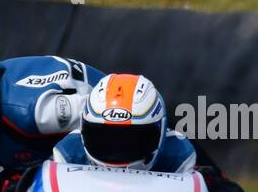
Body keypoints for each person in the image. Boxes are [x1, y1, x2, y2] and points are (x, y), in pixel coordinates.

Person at [0, 29, 255, 192]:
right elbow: (6, 184)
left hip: (136, 131)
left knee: (207, 185)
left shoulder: (35, 110)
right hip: (94, 161)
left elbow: (113, 127)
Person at [52, 74, 196, 174]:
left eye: (131, 140)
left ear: (161, 133)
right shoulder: (68, 155)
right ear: (84, 131)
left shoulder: (179, 155)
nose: (116, 152)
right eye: (105, 138)